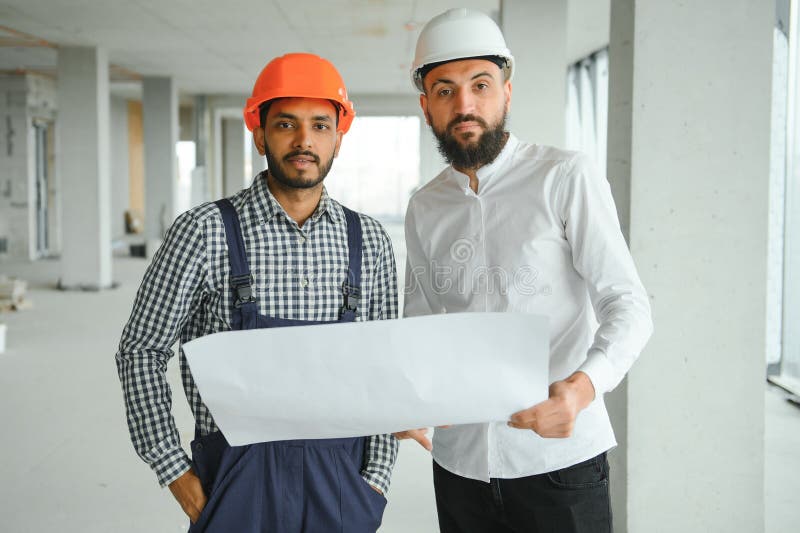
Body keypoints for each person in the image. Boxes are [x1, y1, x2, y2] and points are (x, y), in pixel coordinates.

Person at [116, 53, 398, 533]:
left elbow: (387, 366)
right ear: (260, 132)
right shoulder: (203, 232)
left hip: (342, 482)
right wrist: (174, 470)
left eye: (320, 125)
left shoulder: (368, 240)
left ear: (338, 137)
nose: (305, 140)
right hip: (234, 481)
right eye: (286, 123)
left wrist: (375, 479)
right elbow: (140, 351)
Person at [397, 8, 653, 533]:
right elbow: (421, 320)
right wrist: (409, 395)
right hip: (459, 466)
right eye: (444, 90)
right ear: (426, 107)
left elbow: (628, 305)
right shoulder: (424, 205)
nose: (464, 104)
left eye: (481, 85)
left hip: (560, 466)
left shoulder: (564, 176)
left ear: (507, 93)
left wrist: (582, 389)